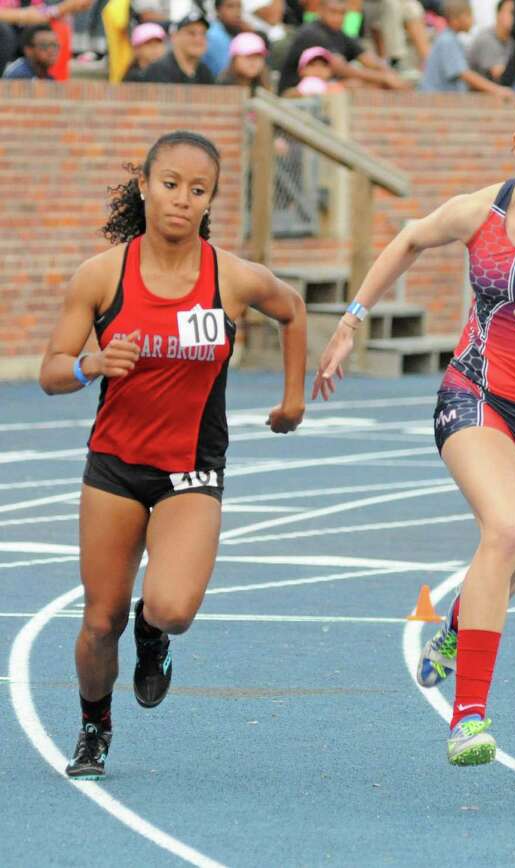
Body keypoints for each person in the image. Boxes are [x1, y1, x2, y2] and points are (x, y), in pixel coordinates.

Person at [311, 81, 515, 765]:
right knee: (507, 528)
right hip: (477, 396)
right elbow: (407, 239)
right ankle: (469, 719)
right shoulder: (479, 212)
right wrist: (352, 320)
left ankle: (458, 625)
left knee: (509, 566)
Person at [38, 131, 307, 779]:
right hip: (115, 466)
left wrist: (292, 399)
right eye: (170, 184)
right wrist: (90, 364)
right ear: (145, 186)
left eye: (198, 190)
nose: (182, 200)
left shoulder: (231, 277)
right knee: (99, 623)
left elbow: (293, 311)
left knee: (173, 608)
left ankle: (151, 632)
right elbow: (49, 370)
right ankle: (94, 727)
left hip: (191, 469)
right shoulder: (103, 277)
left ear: (210, 199)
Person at [277, 0, 405, 93]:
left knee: (371, 84)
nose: (338, 18)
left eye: (342, 13)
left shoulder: (340, 33)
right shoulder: (312, 32)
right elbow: (340, 68)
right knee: (356, 85)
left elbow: (367, 59)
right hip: (296, 93)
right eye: (333, 12)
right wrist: (383, 77)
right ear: (320, 11)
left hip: (323, 89)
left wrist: (390, 74)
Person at [419, 0, 514, 96]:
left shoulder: (453, 40)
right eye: (468, 15)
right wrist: (496, 90)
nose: (473, 19)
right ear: (455, 19)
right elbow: (464, 74)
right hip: (434, 101)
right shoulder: (447, 41)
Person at [139, 12, 216, 85]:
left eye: (203, 34)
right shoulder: (158, 70)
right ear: (174, 36)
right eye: (191, 33)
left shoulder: (205, 72)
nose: (198, 39)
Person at [468, 0, 515, 82]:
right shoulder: (486, 39)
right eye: (512, 12)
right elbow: (500, 75)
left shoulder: (513, 40)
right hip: (476, 94)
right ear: (499, 15)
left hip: (498, 92)